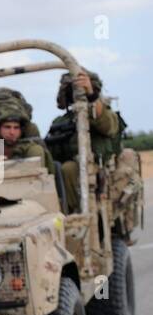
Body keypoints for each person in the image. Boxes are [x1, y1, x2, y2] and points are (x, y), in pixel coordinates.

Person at [46, 69, 123, 212]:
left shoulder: (98, 113)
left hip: (93, 168)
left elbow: (108, 125)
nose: (11, 131)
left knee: (68, 169)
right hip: (68, 171)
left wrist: (92, 95)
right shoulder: (60, 121)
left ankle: (74, 214)